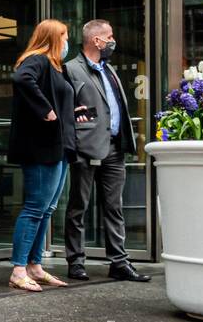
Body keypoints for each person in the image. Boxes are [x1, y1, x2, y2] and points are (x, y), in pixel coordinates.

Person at [63, 19, 150, 282]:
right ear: (96, 41)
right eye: (110, 37)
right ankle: (76, 261)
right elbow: (63, 103)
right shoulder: (71, 69)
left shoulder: (109, 69)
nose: (113, 42)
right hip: (86, 147)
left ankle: (119, 262)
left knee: (114, 207)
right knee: (79, 206)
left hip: (114, 148)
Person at [7, 20, 78, 292]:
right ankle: (18, 269)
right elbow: (21, 78)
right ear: (52, 38)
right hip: (41, 146)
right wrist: (45, 109)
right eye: (64, 37)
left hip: (58, 146)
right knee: (36, 207)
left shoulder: (56, 67)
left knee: (47, 209)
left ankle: (34, 266)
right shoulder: (37, 59)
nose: (67, 42)